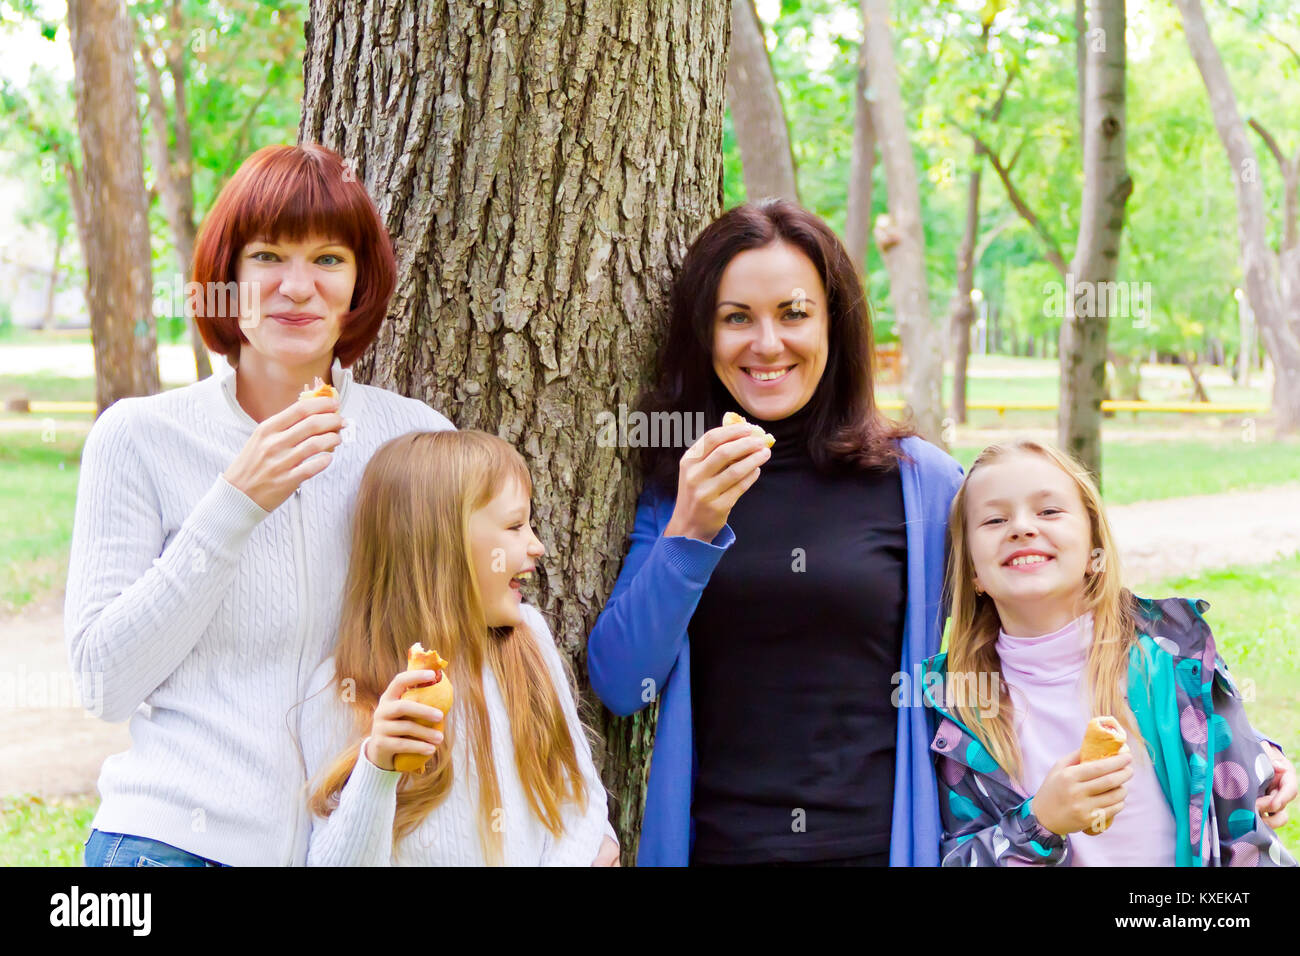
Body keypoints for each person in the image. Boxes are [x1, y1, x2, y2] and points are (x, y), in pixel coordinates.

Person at [69, 143, 453, 867]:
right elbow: (102, 682)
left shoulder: (417, 439)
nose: (297, 288)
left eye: (329, 259)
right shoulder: (141, 437)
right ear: (226, 276)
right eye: (269, 256)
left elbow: (478, 652)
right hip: (169, 845)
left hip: (358, 845)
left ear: (360, 283)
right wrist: (235, 504)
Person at [586, 199, 963, 866]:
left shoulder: (922, 484)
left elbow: (1007, 658)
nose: (766, 344)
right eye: (737, 318)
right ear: (705, 334)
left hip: (882, 851)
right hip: (720, 852)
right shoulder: (681, 485)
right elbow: (621, 684)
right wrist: (691, 530)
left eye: (793, 313)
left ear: (833, 324)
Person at [924, 438, 1297, 865]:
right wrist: (1041, 821)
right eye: (994, 519)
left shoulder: (1176, 662)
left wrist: (1258, 754)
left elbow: (1245, 839)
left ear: (1093, 551)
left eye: (1048, 511)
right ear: (972, 571)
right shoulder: (953, 706)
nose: (1022, 527)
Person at [301, 430, 619, 865]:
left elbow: (580, 807)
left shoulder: (527, 643)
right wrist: (377, 769)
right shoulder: (346, 689)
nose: (537, 545)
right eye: (514, 526)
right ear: (441, 545)